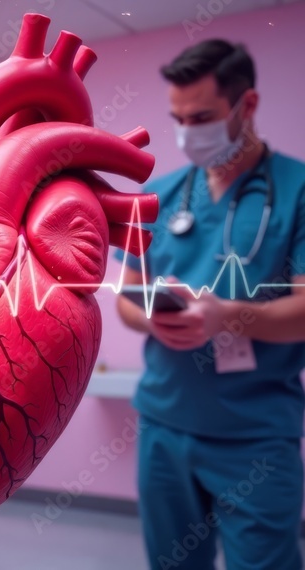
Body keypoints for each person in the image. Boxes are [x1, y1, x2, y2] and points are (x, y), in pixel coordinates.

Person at [115, 39, 305, 569]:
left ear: (247, 105)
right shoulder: (159, 197)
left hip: (256, 438)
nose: (185, 134)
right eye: (177, 118)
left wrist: (228, 316)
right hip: (164, 425)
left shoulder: (299, 191)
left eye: (200, 117)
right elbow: (127, 300)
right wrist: (152, 317)